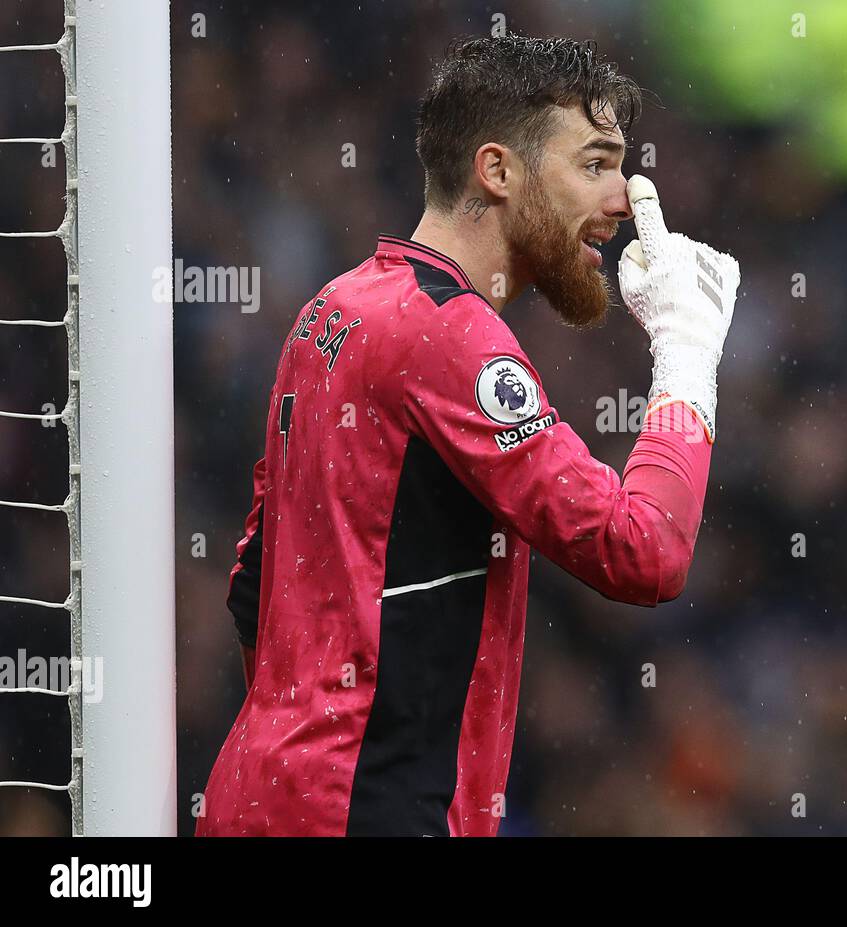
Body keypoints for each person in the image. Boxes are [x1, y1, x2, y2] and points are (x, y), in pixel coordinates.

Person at [195, 34, 740, 837]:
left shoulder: (330, 311)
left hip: (261, 796)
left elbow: (253, 583)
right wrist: (687, 355)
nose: (624, 198)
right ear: (498, 171)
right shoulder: (450, 337)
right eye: (594, 164)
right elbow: (644, 549)